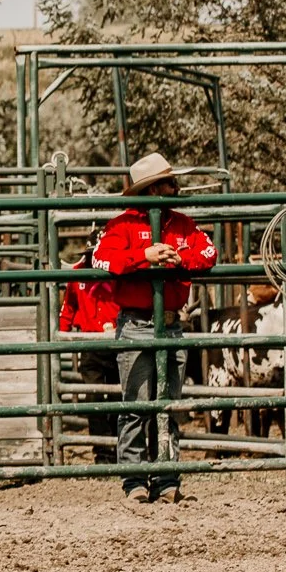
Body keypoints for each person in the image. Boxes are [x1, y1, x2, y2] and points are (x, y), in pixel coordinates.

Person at [93, 152, 216, 504]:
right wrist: (143, 257)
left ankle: (165, 480)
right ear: (152, 188)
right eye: (168, 182)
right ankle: (135, 481)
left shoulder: (182, 224)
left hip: (169, 324)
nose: (175, 186)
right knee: (136, 406)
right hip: (137, 324)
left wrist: (182, 260)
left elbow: (208, 253)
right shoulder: (122, 226)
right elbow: (103, 260)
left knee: (167, 405)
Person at [57, 233, 120, 461]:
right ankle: (103, 452)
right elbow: (69, 307)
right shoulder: (78, 275)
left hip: (116, 341)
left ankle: (117, 449)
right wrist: (62, 335)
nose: (95, 259)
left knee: (117, 399)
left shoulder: (118, 273)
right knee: (94, 400)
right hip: (92, 342)